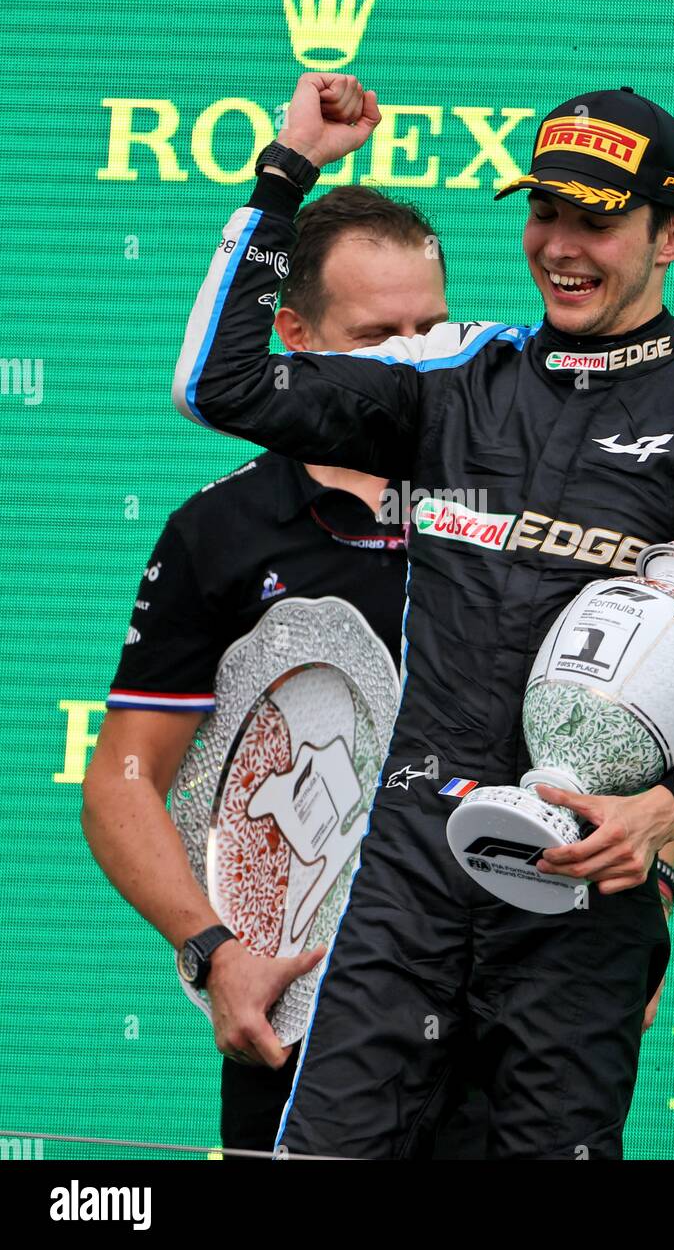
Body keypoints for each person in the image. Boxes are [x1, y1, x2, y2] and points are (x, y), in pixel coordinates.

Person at [172, 73, 674, 1159]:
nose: (560, 245)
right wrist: (287, 175)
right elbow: (219, 385)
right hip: (406, 876)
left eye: (597, 221)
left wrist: (670, 810)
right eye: (543, 210)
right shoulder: (446, 371)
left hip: (580, 889)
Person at [81, 185, 452, 1155]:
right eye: (380, 335)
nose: (413, 360)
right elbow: (121, 783)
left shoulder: (508, 512)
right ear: (291, 334)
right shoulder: (219, 531)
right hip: (302, 1034)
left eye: (432, 329)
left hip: (501, 1021)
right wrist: (216, 954)